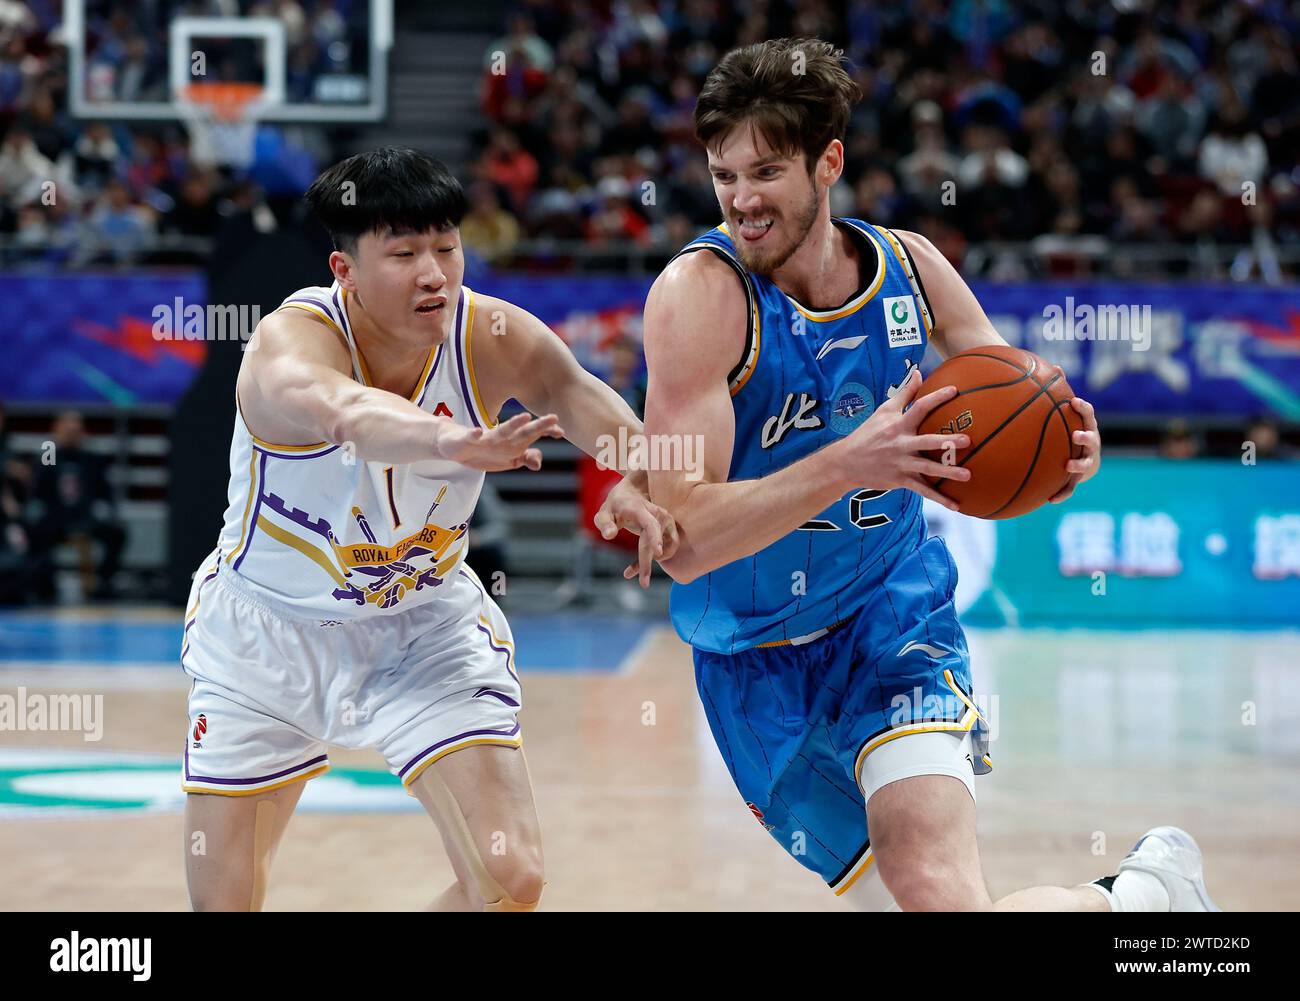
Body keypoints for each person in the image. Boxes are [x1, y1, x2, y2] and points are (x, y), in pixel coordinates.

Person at [642, 38, 1216, 912]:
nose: (741, 201)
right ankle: (1139, 900)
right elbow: (680, 542)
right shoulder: (697, 298)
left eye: (766, 172)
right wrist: (850, 462)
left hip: (892, 620)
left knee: (938, 892)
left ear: (829, 161)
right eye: (723, 176)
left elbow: (1018, 401)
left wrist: (1067, 446)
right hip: (752, 668)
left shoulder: (911, 268)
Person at [181, 147, 677, 912]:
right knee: (224, 903)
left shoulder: (491, 334)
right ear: (344, 269)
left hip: (422, 625)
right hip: (265, 636)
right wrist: (448, 440)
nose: (434, 272)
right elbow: (349, 414)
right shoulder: (289, 343)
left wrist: (639, 474)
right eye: (405, 252)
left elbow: (575, 394)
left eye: (446, 246)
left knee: (510, 879)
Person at [29, 410, 126, 602]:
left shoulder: (91, 459)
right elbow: (38, 492)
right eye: (67, 431)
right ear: (57, 431)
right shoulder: (49, 456)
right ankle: (45, 584)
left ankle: (103, 584)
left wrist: (103, 511)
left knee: (117, 532)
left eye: (76, 431)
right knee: (35, 532)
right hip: (56, 519)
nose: (71, 435)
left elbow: (105, 492)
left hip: (85, 518)